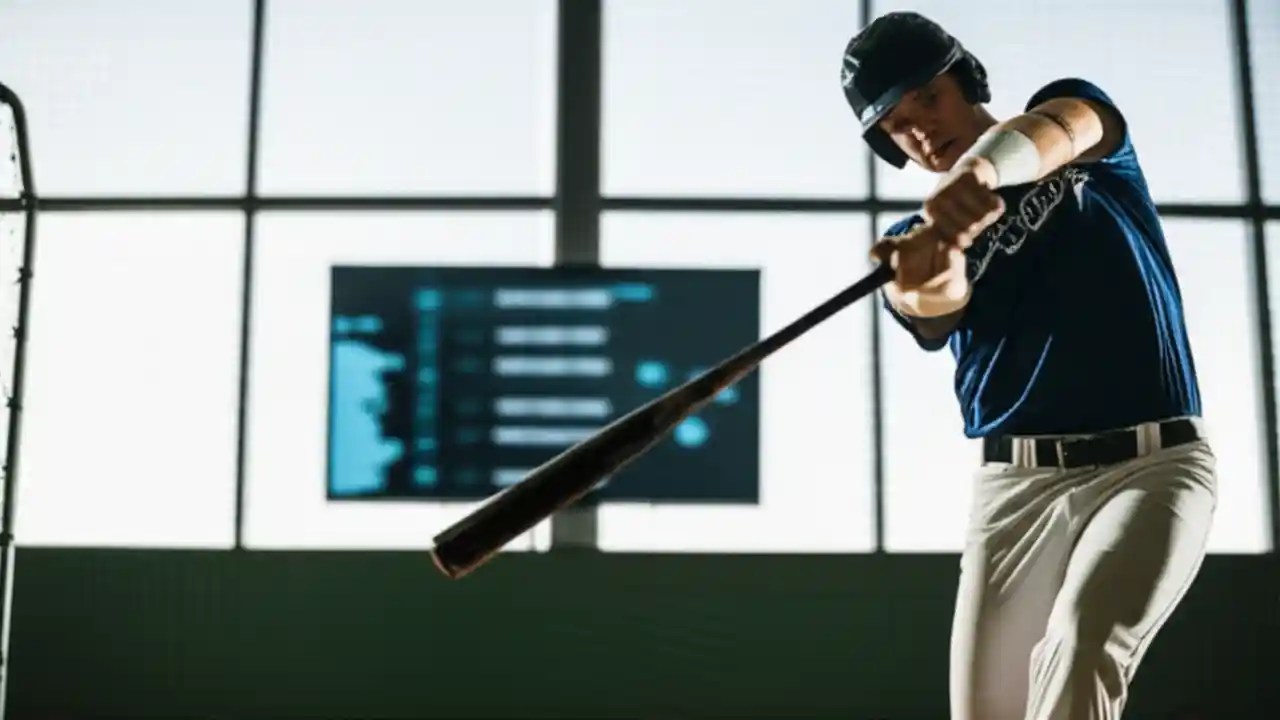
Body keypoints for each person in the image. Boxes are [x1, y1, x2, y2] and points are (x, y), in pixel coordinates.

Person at [841, 11, 1217, 720]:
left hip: (1151, 466)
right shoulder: (914, 238)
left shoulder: (1083, 142)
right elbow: (930, 305)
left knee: (1082, 645)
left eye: (928, 98)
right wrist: (933, 261)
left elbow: (1063, 128)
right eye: (897, 124)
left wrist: (978, 175)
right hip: (1016, 490)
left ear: (966, 80)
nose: (921, 130)